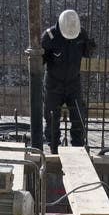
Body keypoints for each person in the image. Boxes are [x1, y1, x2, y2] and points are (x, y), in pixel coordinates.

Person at [41, 9, 96, 154]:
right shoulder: (50, 37)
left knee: (78, 117)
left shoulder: (81, 34)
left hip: (73, 83)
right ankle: (53, 149)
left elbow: (87, 54)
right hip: (54, 83)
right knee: (52, 118)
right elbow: (41, 60)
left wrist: (90, 46)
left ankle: (78, 149)